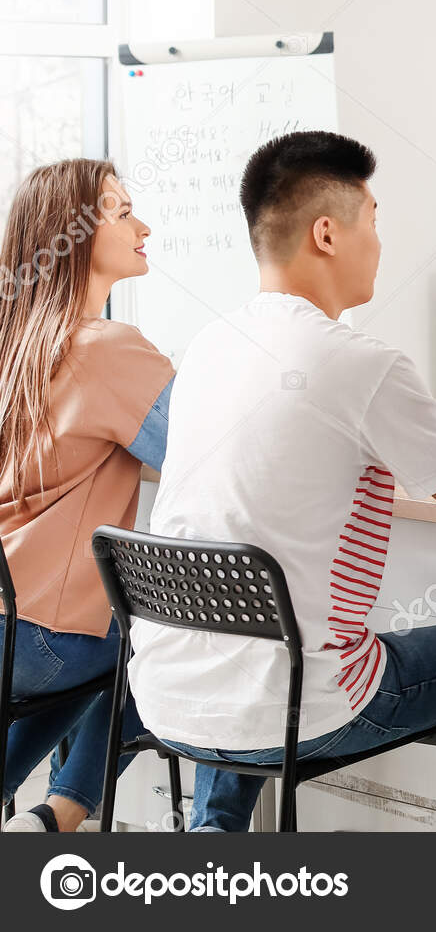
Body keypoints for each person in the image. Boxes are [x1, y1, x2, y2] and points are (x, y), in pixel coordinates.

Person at [125, 131, 436, 831]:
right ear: (327, 233)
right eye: (373, 219)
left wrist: (432, 444)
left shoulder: (208, 346)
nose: (380, 240)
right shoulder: (362, 363)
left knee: (257, 639)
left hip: (167, 691)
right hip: (304, 704)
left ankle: (211, 832)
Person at [0, 160, 173, 833]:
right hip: (42, 637)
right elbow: (199, 456)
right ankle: (61, 812)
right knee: (162, 637)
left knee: (95, 642)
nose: (143, 226)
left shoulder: (15, 342)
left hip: (15, 625)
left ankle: (44, 819)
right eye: (123, 212)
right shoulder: (107, 349)